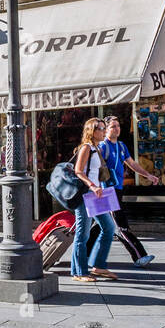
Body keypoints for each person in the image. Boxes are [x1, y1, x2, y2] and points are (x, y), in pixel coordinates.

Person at [88, 116, 158, 267]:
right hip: (106, 191)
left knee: (99, 225)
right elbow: (92, 166)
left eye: (118, 126)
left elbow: (132, 163)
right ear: (106, 130)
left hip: (117, 189)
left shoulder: (121, 146)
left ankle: (84, 254)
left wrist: (148, 175)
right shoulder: (103, 147)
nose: (117, 129)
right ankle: (139, 256)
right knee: (120, 224)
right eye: (113, 126)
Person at [70, 117, 117, 283]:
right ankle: (79, 272)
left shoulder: (97, 148)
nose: (104, 131)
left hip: (97, 195)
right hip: (86, 195)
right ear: (92, 131)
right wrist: (92, 186)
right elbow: (78, 171)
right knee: (83, 234)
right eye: (101, 129)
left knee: (109, 227)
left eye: (104, 128)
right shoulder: (86, 148)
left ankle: (98, 266)